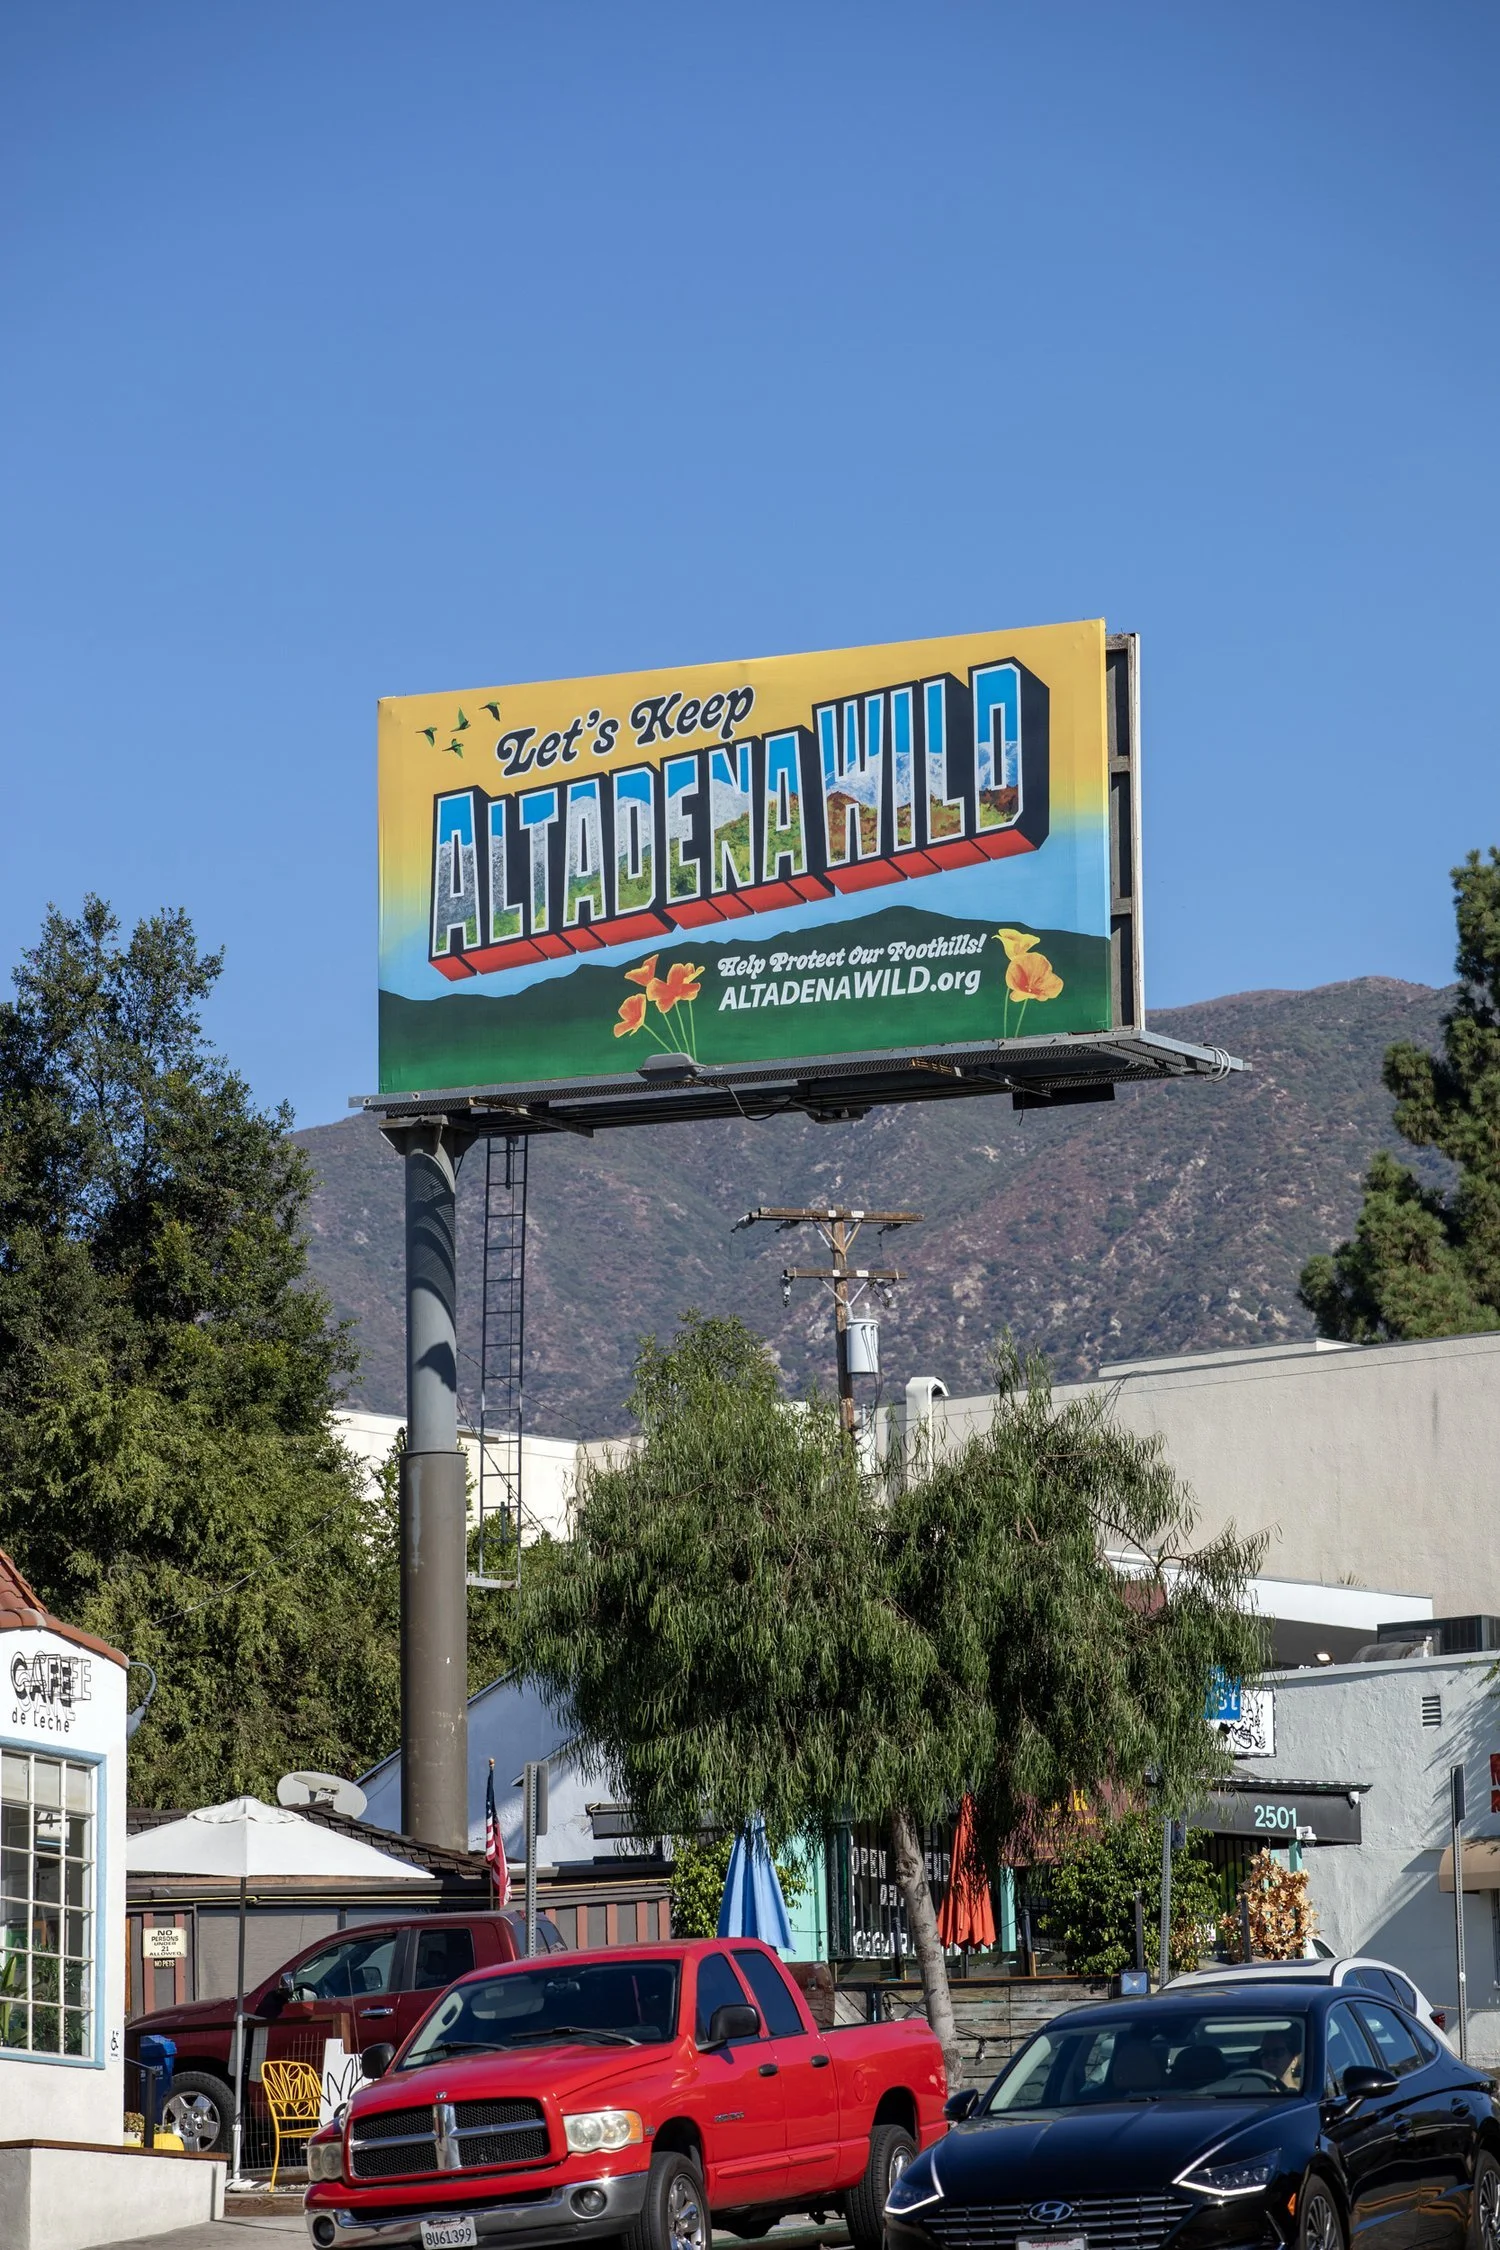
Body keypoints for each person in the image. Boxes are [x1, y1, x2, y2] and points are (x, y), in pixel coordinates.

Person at [1257, 2024, 1303, 2090]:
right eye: (1265, 2053)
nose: (1270, 2058)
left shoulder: (1305, 2095)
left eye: (1277, 2052)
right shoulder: (1252, 2094)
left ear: (1294, 2061)